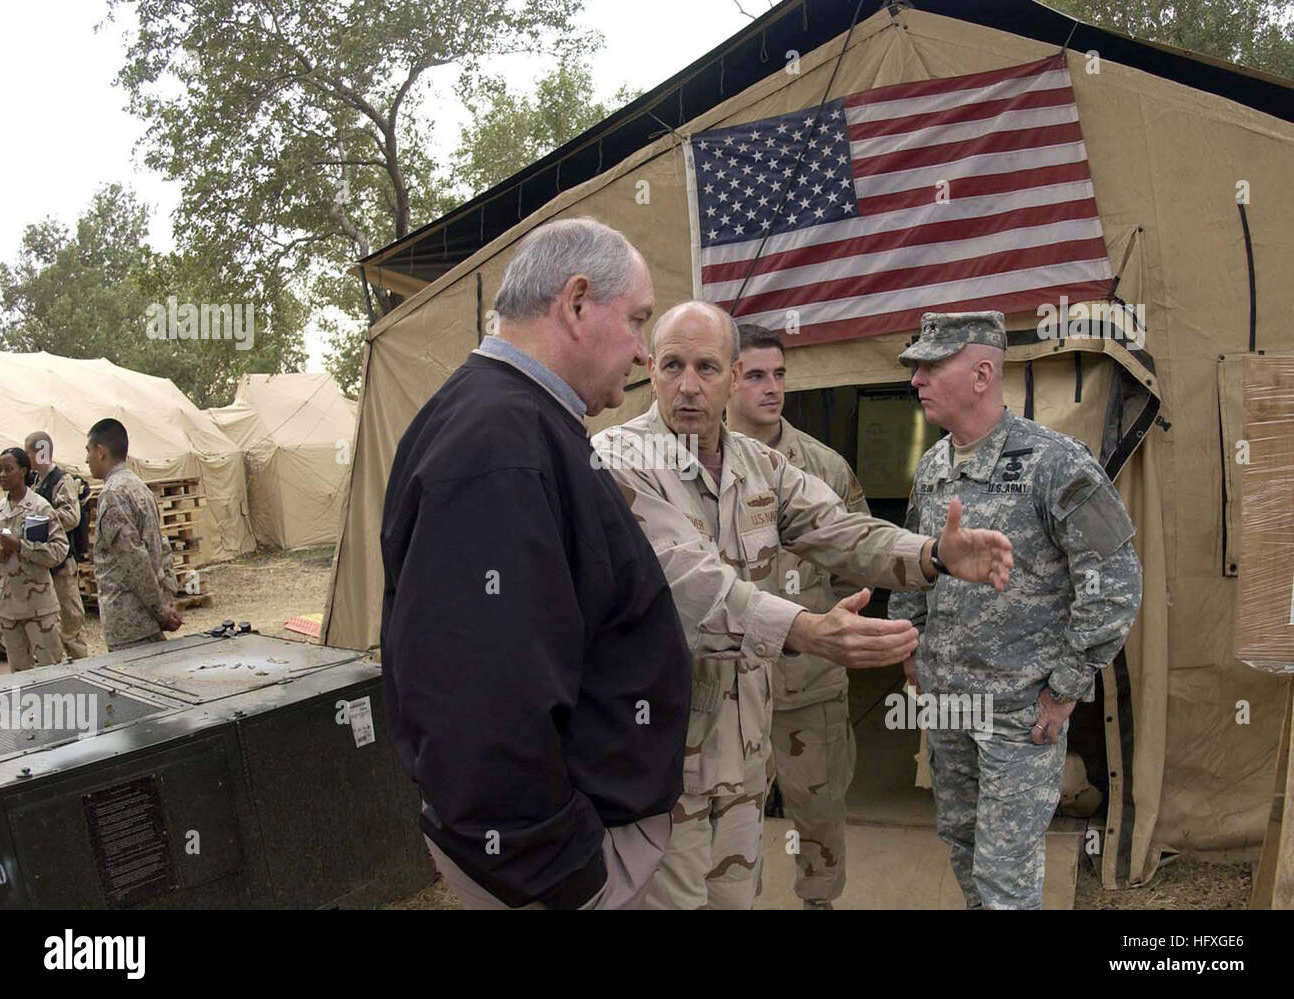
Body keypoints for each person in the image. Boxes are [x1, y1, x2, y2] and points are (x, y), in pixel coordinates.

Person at [591, 300, 1014, 910]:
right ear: (650, 371)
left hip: (743, 751)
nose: (688, 386)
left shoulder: (760, 466)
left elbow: (841, 529)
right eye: (672, 366)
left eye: (707, 368)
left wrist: (932, 555)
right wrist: (807, 630)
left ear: (731, 376)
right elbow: (688, 585)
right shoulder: (621, 460)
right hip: (660, 757)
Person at [380, 217, 691, 910]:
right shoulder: (500, 442)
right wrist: (557, 872)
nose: (645, 354)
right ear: (577, 303)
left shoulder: (512, 418)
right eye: (638, 320)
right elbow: (480, 698)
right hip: (548, 866)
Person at [889, 311, 1143, 909]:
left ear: (982, 374)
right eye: (915, 367)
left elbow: (1115, 581)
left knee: (1006, 876)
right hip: (950, 702)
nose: (916, 379)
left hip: (1019, 712)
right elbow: (911, 560)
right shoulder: (933, 467)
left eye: (931, 365)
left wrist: (1067, 688)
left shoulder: (1056, 463)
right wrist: (910, 646)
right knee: (964, 846)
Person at [725, 321, 865, 909]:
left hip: (809, 686)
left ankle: (818, 902)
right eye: (755, 375)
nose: (772, 388)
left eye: (779, 374)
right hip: (729, 688)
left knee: (821, 813)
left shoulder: (822, 467)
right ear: (728, 379)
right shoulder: (692, 464)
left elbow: (856, 563)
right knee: (729, 823)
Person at [85, 419, 182, 651]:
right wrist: (166, 602)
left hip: (129, 623)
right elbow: (162, 547)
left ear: (101, 452)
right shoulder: (139, 487)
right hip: (146, 618)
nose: (86, 459)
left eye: (88, 451)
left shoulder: (113, 494)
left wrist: (161, 611)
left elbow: (134, 559)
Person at [0, 447, 68, 671]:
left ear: (23, 471)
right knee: (19, 676)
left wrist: (20, 545)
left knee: (51, 673)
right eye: (0, 470)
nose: (3, 475)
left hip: (39, 607)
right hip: (9, 607)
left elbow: (59, 550)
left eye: (9, 469)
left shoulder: (40, 507)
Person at [25, 431, 89, 660]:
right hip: (45, 563)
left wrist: (43, 518)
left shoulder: (61, 481)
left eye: (29, 452)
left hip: (62, 565)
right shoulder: (35, 482)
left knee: (71, 626)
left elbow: (72, 516)